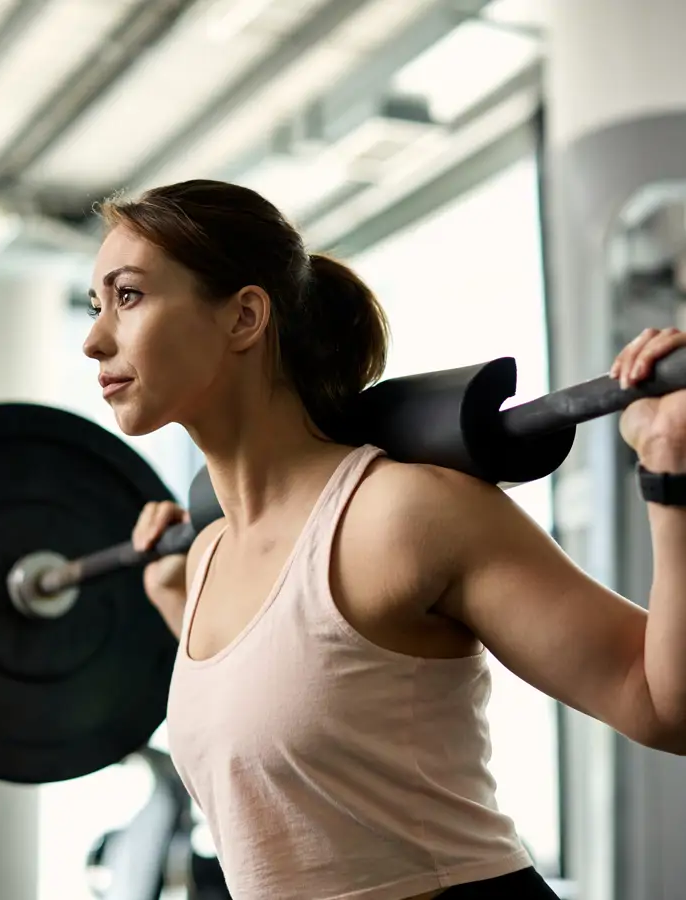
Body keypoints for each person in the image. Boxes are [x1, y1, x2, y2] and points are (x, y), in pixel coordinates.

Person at [83, 179, 686, 900]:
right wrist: (173, 602)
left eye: (128, 297)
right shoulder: (209, 555)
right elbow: (299, 703)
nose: (94, 340)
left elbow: (657, 703)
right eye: (96, 306)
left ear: (244, 316)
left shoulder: (403, 515)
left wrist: (670, 475)